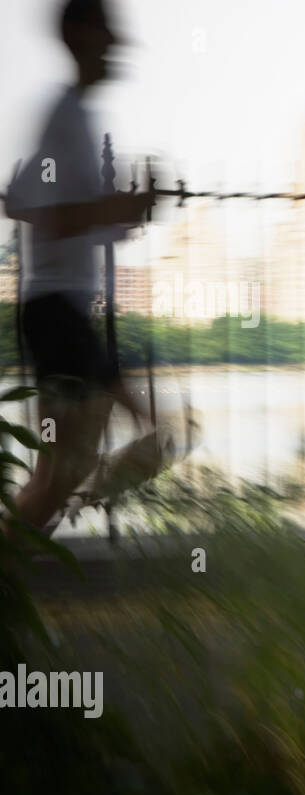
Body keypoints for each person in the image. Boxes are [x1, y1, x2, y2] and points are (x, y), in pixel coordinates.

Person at [2, 0, 156, 546]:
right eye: (108, 31)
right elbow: (48, 216)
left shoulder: (81, 120)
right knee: (63, 474)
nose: (119, 44)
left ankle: (62, 517)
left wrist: (125, 215)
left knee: (143, 439)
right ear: (79, 34)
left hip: (65, 313)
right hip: (55, 312)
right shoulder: (63, 117)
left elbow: (45, 210)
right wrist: (117, 209)